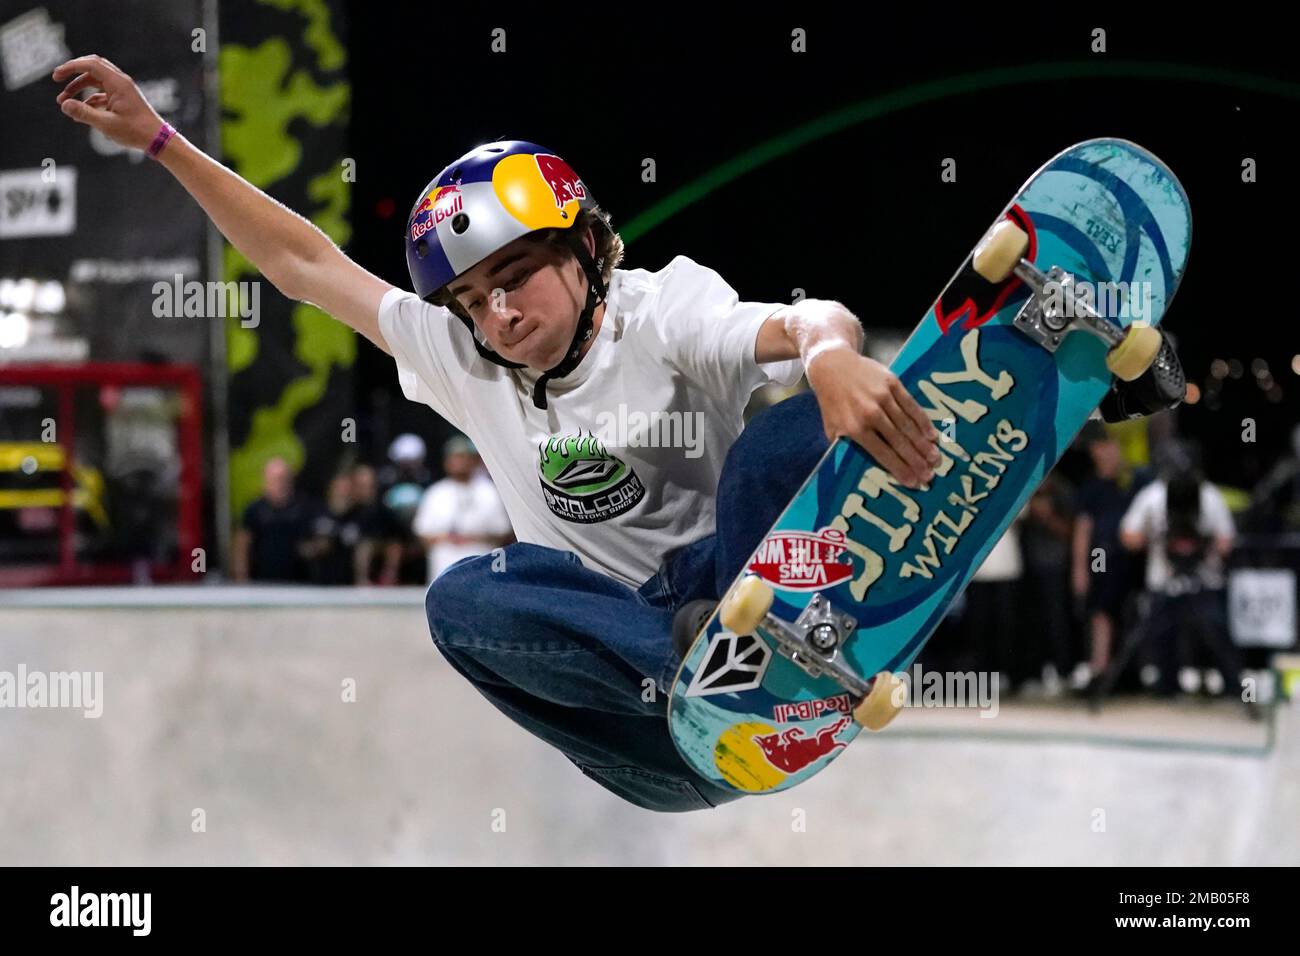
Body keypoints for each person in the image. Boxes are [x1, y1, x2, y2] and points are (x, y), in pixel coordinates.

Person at [54, 55, 1186, 811]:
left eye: (517, 278)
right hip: (646, 703)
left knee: (785, 432)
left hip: (759, 577)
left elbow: (800, 322)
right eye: (475, 302)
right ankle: (711, 671)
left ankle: (1062, 383)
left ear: (587, 250)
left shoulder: (659, 304)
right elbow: (306, 265)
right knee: (461, 596)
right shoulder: (459, 357)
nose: (500, 314)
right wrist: (160, 139)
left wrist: (837, 355)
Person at [1119, 442, 1241, 699]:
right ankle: (1167, 689)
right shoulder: (1152, 496)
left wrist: (1200, 543)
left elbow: (1226, 540)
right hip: (1164, 577)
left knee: (1216, 632)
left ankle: (1232, 687)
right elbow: (1128, 536)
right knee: (1161, 634)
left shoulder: (1208, 495)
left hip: (1204, 578)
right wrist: (1159, 537)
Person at [1071, 423, 1146, 693]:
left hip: (1129, 558)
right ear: (1095, 451)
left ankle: (1126, 672)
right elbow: (1083, 529)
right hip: (1100, 556)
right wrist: (1079, 569)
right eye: (1104, 447)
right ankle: (1099, 670)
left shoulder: (1132, 483)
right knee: (1100, 613)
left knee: (1128, 612)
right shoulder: (1091, 488)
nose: (1109, 452)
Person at [413, 436, 512, 581]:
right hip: (444, 567)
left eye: (464, 457)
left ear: (474, 460)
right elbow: (423, 533)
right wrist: (450, 538)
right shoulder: (435, 493)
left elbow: (503, 532)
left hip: (482, 564)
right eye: (455, 457)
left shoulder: (490, 491)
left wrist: (471, 538)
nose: (459, 462)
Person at [233, 457, 312, 583]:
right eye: (275, 479)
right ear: (266, 480)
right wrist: (241, 579)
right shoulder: (254, 509)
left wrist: (311, 549)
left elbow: (318, 538)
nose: (280, 484)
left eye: (283, 479)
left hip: (299, 582)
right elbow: (242, 546)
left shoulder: (304, 507)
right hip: (262, 583)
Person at [299, 470, 363, 585]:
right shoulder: (316, 513)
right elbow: (300, 548)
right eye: (339, 487)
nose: (343, 492)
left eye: (347, 488)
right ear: (331, 489)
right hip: (317, 583)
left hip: (349, 585)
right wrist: (316, 547)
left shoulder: (361, 515)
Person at [351, 463, 403, 585]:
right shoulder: (345, 511)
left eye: (369, 486)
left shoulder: (382, 512)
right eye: (360, 486)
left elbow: (396, 540)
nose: (365, 490)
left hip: (377, 570)